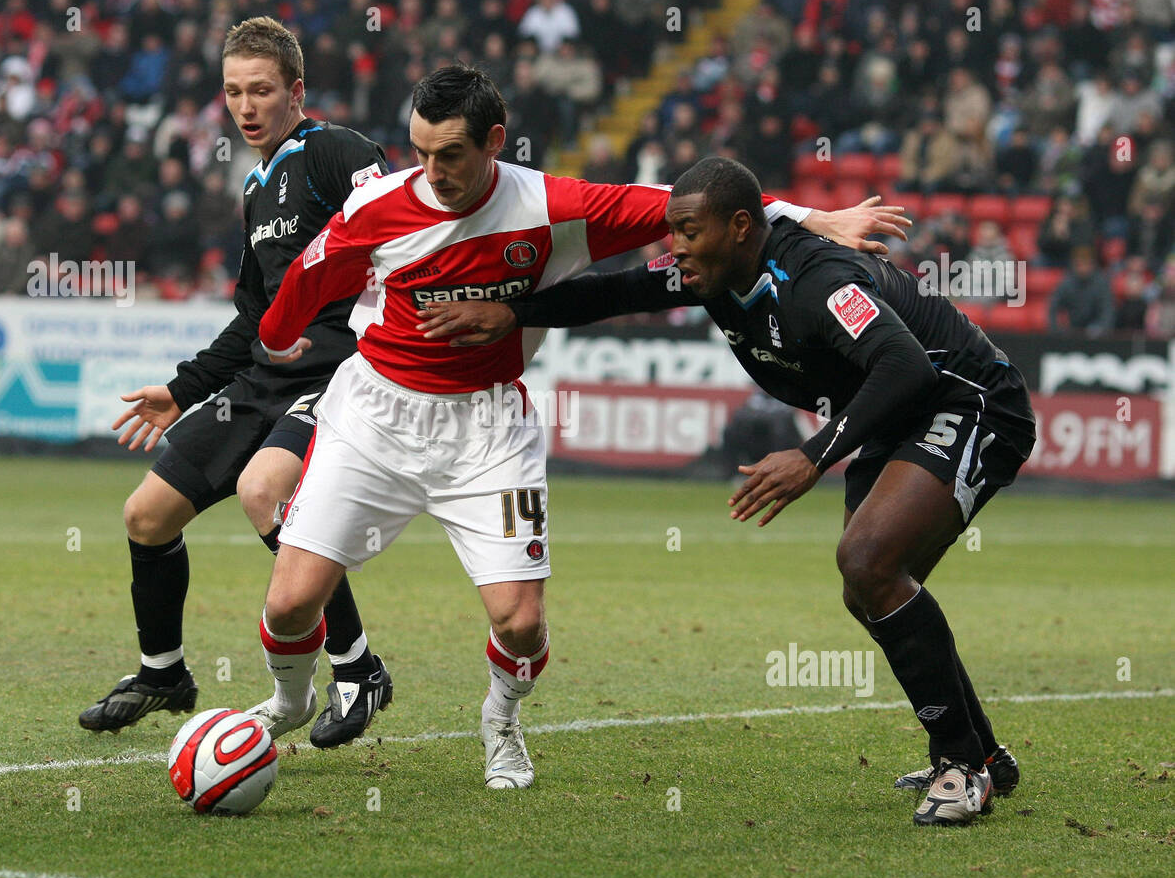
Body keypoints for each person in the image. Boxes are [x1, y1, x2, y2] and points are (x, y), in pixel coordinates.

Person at [246, 65, 908, 790]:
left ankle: (501, 719)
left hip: (487, 425)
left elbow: (695, 206)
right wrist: (278, 336)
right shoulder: (377, 205)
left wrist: (814, 218)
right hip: (377, 413)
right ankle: (290, 696)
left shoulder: (551, 206)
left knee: (521, 624)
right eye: (419, 152)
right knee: (288, 600)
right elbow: (303, 283)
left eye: (450, 156)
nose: (431, 172)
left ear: (495, 141)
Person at [419, 155, 1034, 825]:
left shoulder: (815, 278)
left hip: (968, 398)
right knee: (874, 582)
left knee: (870, 563)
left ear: (741, 227)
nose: (674, 245)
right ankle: (982, 754)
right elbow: (616, 292)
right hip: (895, 409)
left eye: (688, 230)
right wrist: (510, 312)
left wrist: (810, 456)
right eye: (672, 230)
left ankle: (961, 765)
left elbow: (905, 361)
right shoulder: (711, 274)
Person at [78, 17, 395, 748]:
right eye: (232, 92)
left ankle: (358, 667)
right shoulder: (257, 188)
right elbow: (252, 320)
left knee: (264, 491)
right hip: (262, 381)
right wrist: (181, 390)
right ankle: (163, 672)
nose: (245, 105)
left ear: (295, 92)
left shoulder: (335, 152)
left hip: (338, 376)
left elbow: (399, 225)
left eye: (260, 90)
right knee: (146, 515)